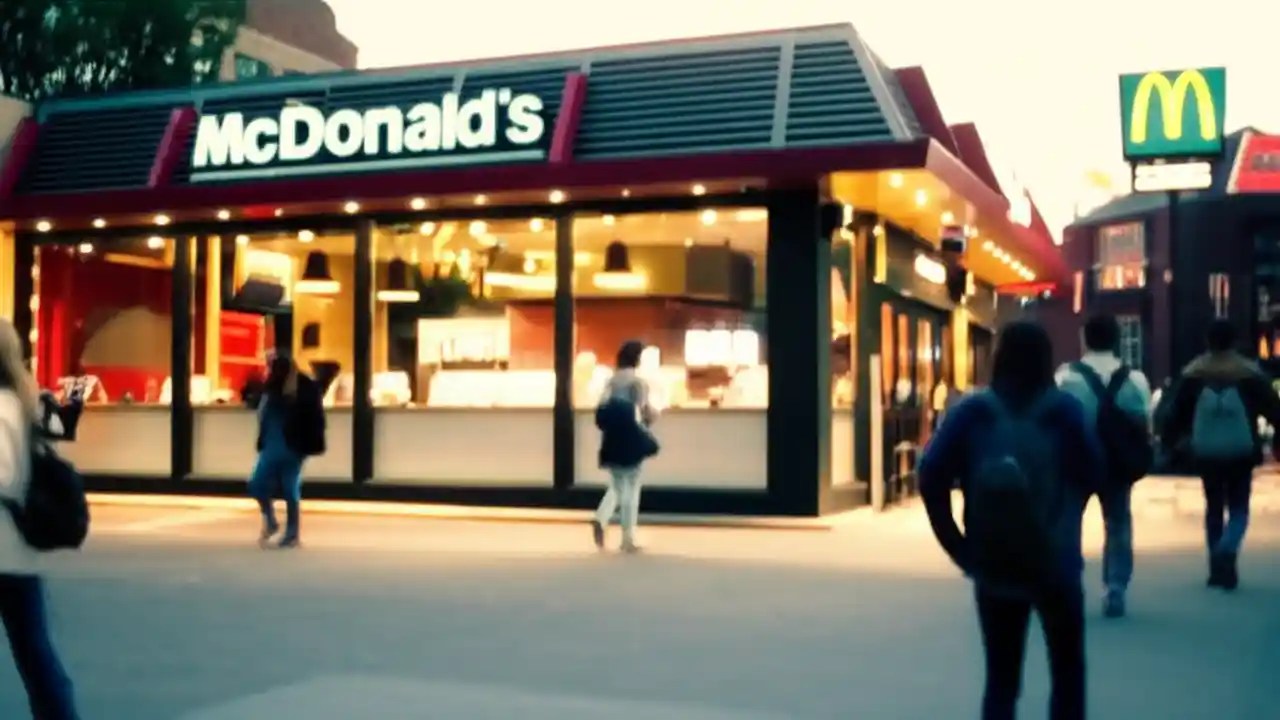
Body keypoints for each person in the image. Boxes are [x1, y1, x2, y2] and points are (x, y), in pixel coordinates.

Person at [919, 321, 1103, 720]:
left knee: (1001, 681)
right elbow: (1094, 473)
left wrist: (958, 546)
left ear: (998, 358)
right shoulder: (1064, 412)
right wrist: (1067, 512)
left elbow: (931, 475)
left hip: (994, 562)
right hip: (1057, 563)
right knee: (1068, 673)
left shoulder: (972, 412)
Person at [0, 320, 80, 719]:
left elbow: (3, 475)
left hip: (3, 545)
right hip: (18, 551)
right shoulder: (23, 402)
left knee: (33, 650)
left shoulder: (1, 407)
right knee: (34, 649)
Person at [1162, 320, 1280, 590]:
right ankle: (1229, 550)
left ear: (1208, 341)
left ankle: (1217, 569)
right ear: (1235, 341)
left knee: (1213, 507)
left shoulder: (1194, 374)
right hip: (1241, 451)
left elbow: (1174, 414)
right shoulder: (1249, 374)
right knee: (1239, 507)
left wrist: (1174, 444)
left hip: (1206, 451)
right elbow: (1274, 411)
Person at [1055, 315, 1152, 618]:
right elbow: (1144, 422)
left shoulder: (1066, 376)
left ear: (1084, 338)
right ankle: (1115, 588)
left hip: (1076, 460)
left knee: (1068, 523)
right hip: (1117, 462)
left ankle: (1067, 584)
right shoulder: (1135, 380)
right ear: (1117, 340)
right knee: (1119, 523)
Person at [249, 355, 325, 549]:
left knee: (285, 486)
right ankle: (279, 524)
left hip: (290, 445)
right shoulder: (272, 387)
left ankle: (289, 530)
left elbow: (313, 417)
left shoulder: (301, 388)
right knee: (261, 485)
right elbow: (258, 406)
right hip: (275, 445)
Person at [591, 340, 659, 553]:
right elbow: (644, 411)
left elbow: (602, 408)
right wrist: (654, 416)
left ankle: (601, 518)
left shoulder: (611, 381)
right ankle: (628, 538)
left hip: (611, 438)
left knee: (618, 485)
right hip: (631, 439)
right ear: (637, 359)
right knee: (631, 486)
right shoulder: (638, 383)